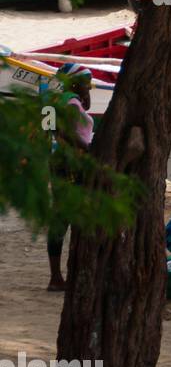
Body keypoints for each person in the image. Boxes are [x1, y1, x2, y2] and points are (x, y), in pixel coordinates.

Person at [45, 63, 95, 291]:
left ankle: (58, 275)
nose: (90, 86)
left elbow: (53, 130)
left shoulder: (60, 100)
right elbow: (65, 133)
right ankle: (58, 277)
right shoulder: (71, 103)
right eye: (87, 82)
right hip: (71, 163)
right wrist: (89, 149)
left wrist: (83, 96)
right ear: (74, 82)